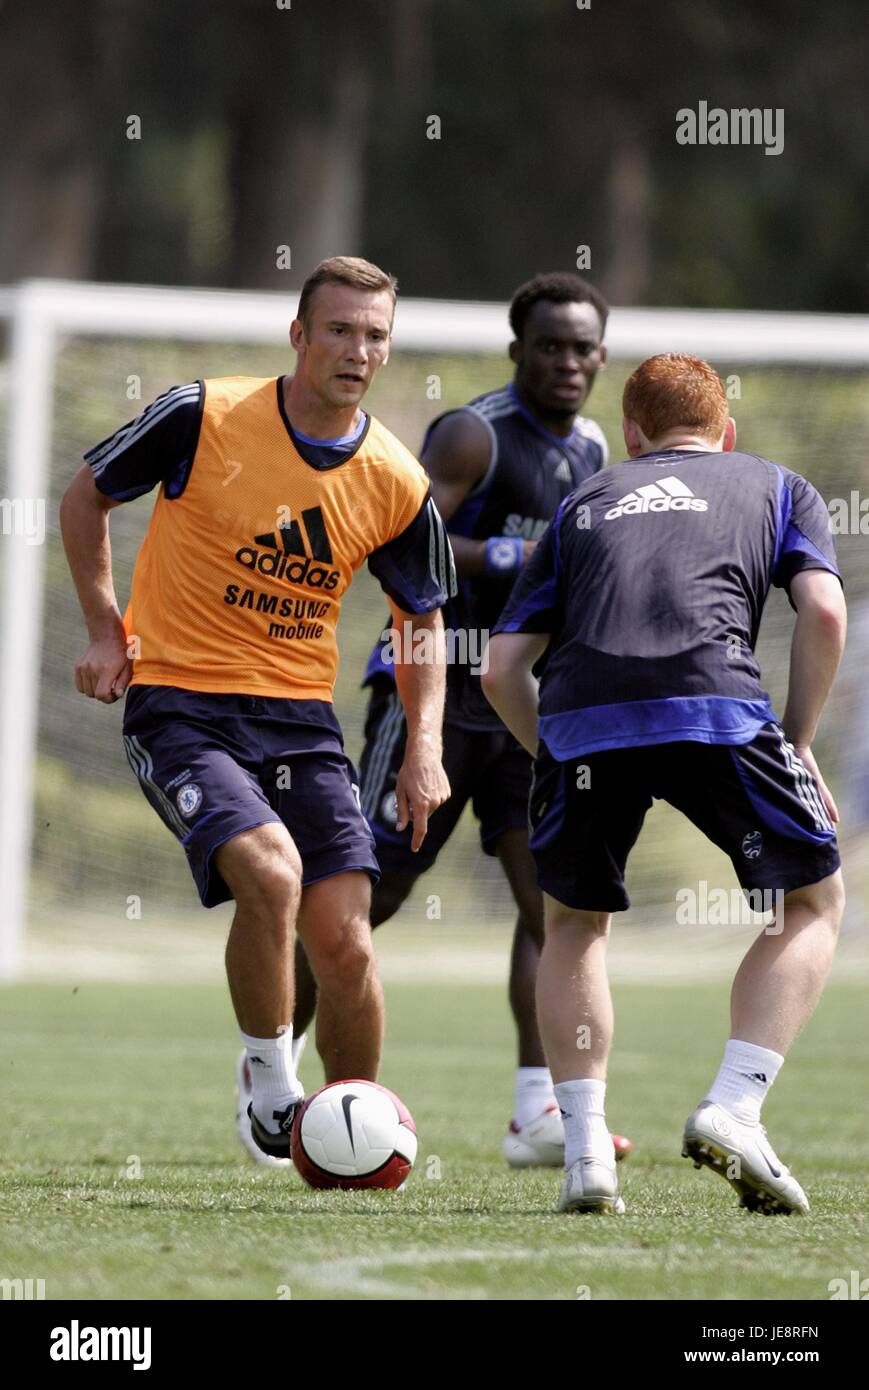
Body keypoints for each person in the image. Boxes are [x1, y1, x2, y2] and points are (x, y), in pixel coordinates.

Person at [60, 256, 454, 1165]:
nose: (358, 349)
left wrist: (422, 745)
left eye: (375, 335)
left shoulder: (396, 480)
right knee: (271, 876)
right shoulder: (203, 413)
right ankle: (271, 1085)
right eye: (340, 330)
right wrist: (102, 627)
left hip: (301, 720)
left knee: (347, 947)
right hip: (179, 706)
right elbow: (89, 494)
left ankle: (353, 1146)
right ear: (299, 336)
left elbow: (423, 617)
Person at [483, 352, 845, 1214]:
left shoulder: (584, 500)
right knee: (810, 903)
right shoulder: (775, 483)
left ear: (633, 436)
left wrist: (553, 751)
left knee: (573, 923)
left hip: (580, 718)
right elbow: (824, 613)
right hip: (716, 706)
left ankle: (582, 1156)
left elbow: (500, 668)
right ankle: (734, 1106)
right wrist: (795, 742)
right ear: (726, 430)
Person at [292, 271, 631, 1167]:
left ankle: (537, 1117)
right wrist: (516, 549)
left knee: (550, 904)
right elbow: (406, 540)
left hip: (525, 709)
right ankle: (269, 1077)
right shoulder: (471, 433)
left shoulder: (593, 449)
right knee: (364, 898)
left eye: (582, 348)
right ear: (517, 350)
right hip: (430, 695)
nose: (567, 362)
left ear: (601, 356)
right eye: (549, 346)